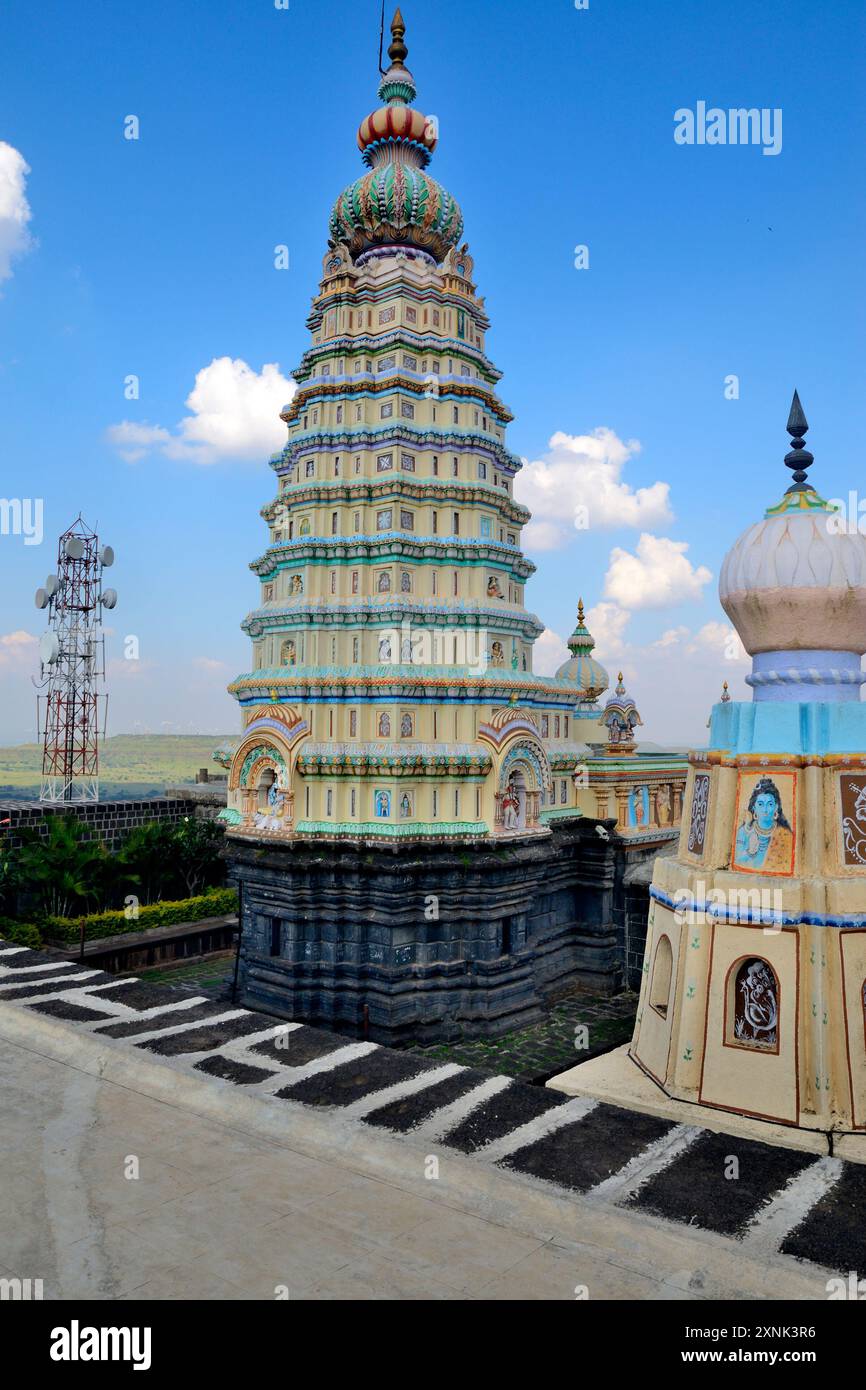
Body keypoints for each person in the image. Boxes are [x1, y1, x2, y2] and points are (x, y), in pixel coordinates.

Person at [734, 776, 793, 871]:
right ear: (754, 807)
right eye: (760, 804)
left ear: (776, 807)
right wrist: (750, 851)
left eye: (770, 804)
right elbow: (738, 862)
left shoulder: (785, 836)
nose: (765, 810)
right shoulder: (743, 832)